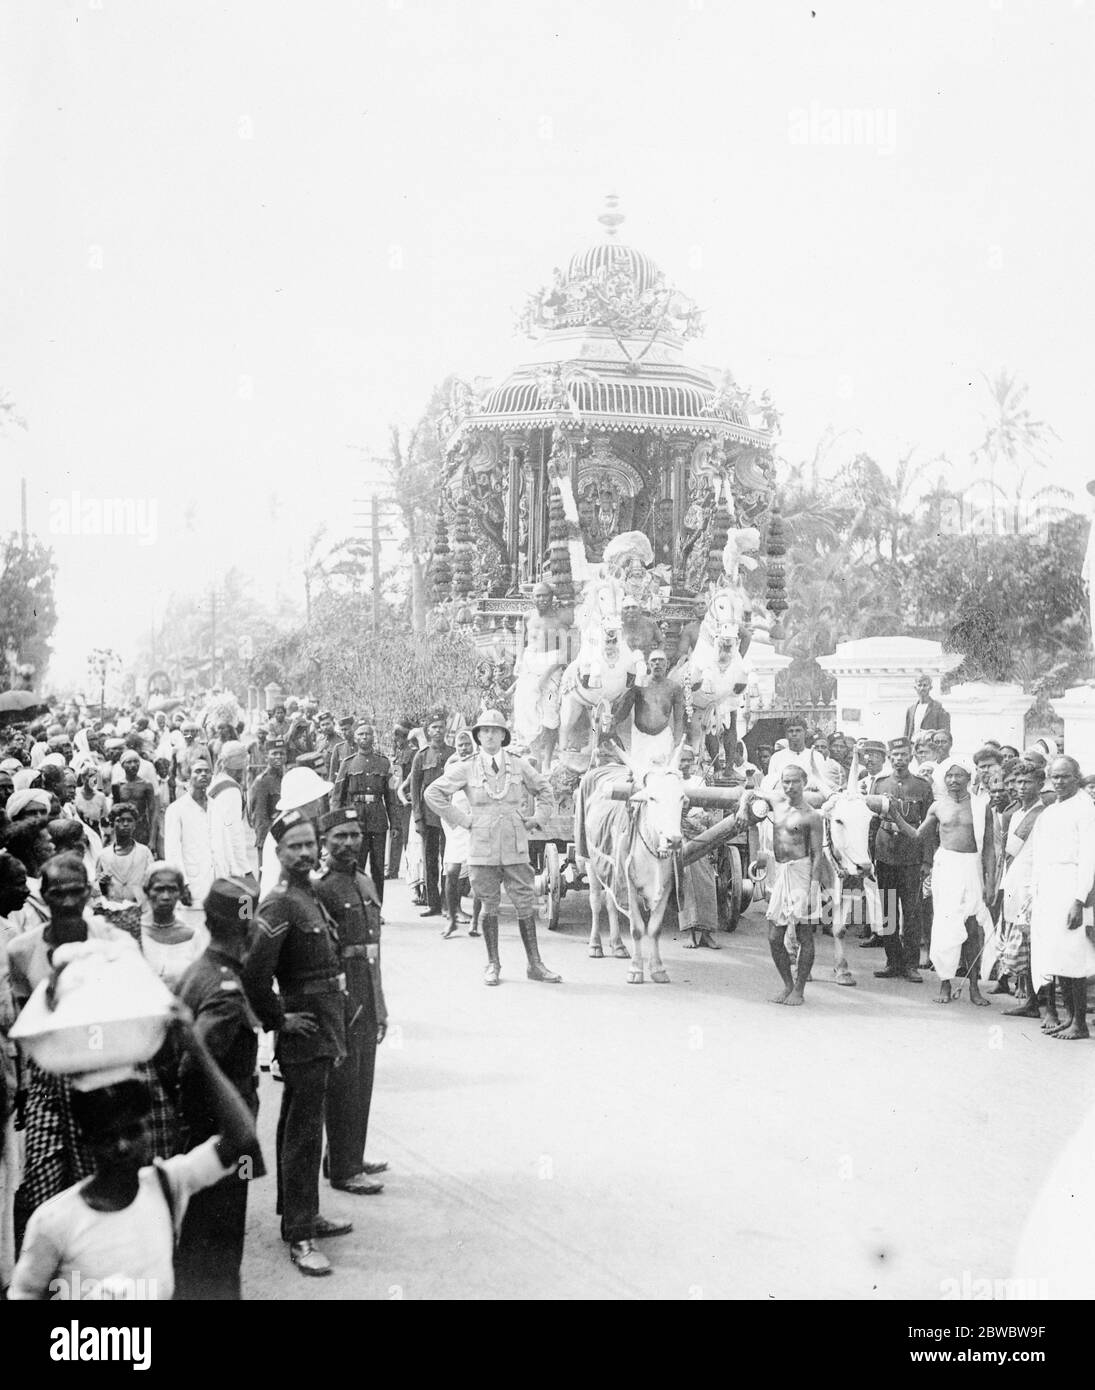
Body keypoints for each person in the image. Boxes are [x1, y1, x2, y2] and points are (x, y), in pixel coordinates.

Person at [9, 1001, 260, 1302]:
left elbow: (241, 1139)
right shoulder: (54, 1222)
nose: (122, 1147)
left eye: (132, 1131)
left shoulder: (167, 1184)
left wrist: (196, 1048)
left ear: (150, 1130)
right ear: (87, 1140)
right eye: (107, 1137)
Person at [242, 812, 351, 1276]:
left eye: (309, 844)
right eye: (294, 847)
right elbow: (252, 974)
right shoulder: (278, 904)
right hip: (304, 1028)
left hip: (326, 1023)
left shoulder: (309, 892)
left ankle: (300, 1212)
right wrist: (279, 1020)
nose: (305, 853)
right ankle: (301, 1235)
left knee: (302, 1121)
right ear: (279, 852)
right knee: (304, 1132)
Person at [174, 877, 265, 1300]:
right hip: (222, 1132)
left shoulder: (200, 970)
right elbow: (196, 1065)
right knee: (219, 1240)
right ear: (246, 927)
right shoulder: (226, 990)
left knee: (201, 1235)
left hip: (206, 1128)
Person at [426, 710, 558, 986]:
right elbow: (433, 793)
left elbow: (545, 790)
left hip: (514, 844)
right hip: (482, 846)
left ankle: (535, 964)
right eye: (484, 731)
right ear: (477, 736)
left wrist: (537, 819)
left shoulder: (518, 765)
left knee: (525, 903)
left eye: (494, 730)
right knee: (489, 904)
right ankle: (493, 963)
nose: (489, 735)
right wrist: (462, 820)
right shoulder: (466, 766)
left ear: (503, 735)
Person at [314, 808, 389, 1197]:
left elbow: (374, 950)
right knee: (344, 1081)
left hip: (365, 985)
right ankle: (343, 1169)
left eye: (355, 835)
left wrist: (380, 1003)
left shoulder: (364, 880)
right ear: (324, 842)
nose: (348, 843)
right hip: (340, 989)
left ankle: (350, 1155)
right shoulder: (321, 886)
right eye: (339, 836)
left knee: (363, 1078)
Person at [891, 759, 993, 1006]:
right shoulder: (937, 807)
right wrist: (894, 813)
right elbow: (917, 835)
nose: (954, 780)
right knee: (945, 926)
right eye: (949, 776)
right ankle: (945, 983)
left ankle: (973, 987)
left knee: (972, 928)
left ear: (969, 779)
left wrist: (990, 882)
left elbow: (989, 847)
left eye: (959, 776)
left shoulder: (981, 806)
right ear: (943, 780)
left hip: (971, 867)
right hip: (946, 867)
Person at [1027, 756, 1095, 1041]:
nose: (1059, 781)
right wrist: (1034, 893)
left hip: (1072, 886)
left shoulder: (1085, 808)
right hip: (1049, 889)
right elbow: (1038, 857)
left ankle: (1080, 1022)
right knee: (1057, 955)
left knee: (1075, 954)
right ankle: (1069, 1018)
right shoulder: (1050, 811)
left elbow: (1089, 857)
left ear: (1076, 777)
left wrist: (1079, 900)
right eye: (1054, 777)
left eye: (1065, 776)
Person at [869, 737, 932, 984]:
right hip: (885, 852)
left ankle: (910, 964)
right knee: (888, 909)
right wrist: (871, 855)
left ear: (911, 757)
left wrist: (927, 860)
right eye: (895, 755)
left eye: (904, 755)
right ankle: (892, 961)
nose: (899, 759)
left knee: (912, 911)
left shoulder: (921, 786)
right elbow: (872, 823)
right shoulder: (880, 783)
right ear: (889, 758)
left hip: (911, 855)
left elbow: (928, 827)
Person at [764, 765, 822, 1005]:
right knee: (774, 937)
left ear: (804, 782)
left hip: (803, 871)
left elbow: (818, 854)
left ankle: (799, 990)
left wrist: (813, 887)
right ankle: (788, 984)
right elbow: (754, 792)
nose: (789, 786)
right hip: (781, 873)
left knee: (804, 933)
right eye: (785, 781)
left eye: (794, 782)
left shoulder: (812, 815)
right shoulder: (777, 803)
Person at [999, 760, 1048, 1023]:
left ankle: (1039, 1001)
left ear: (1041, 785)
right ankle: (1029, 999)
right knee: (1022, 950)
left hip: (1033, 888)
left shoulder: (1043, 816)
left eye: (1027, 782)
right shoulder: (1016, 814)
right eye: (1017, 782)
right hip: (1014, 885)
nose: (1020, 786)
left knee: (1035, 947)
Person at [332, 723, 395, 905]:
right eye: (361, 734)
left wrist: (396, 824)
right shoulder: (348, 763)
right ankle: (356, 907)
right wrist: (337, 825)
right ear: (355, 737)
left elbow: (390, 798)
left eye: (368, 734)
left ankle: (376, 907)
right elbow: (338, 797)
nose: (364, 737)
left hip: (377, 820)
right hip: (355, 821)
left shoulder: (383, 763)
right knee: (355, 866)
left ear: (373, 737)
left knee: (377, 868)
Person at [677, 745, 721, 950]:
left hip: (701, 834)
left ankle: (707, 933)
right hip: (678, 836)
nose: (684, 764)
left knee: (708, 881)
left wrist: (699, 821)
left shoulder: (699, 782)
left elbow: (710, 812)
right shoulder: (671, 781)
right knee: (686, 880)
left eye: (688, 760)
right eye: (681, 760)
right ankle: (690, 933)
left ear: (694, 762)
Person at [612, 649, 686, 772]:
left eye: (661, 660)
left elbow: (679, 718)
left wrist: (677, 741)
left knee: (662, 772)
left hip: (663, 736)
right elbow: (624, 710)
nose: (657, 663)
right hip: (640, 736)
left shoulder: (674, 688)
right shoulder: (639, 684)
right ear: (648, 665)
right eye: (653, 661)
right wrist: (613, 720)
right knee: (639, 773)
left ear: (667, 664)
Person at [410, 715, 454, 918]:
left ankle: (447, 903)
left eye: (441, 727)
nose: (438, 731)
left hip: (449, 813)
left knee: (449, 859)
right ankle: (433, 903)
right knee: (429, 860)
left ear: (446, 730)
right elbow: (415, 788)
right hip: (428, 815)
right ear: (428, 731)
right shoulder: (421, 756)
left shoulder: (453, 753)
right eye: (434, 727)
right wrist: (418, 818)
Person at [140, 863, 209, 988]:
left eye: (172, 890)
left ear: (181, 893)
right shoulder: (136, 932)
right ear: (147, 891)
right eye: (159, 889)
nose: (166, 897)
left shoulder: (193, 936)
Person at [163, 755, 214, 910]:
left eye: (207, 771)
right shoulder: (176, 809)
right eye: (198, 771)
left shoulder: (216, 806)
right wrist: (181, 884)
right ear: (188, 775)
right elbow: (172, 851)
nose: (203, 774)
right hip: (191, 883)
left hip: (215, 882)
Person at [440, 731, 477, 938]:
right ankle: (452, 917)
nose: (464, 748)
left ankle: (474, 921)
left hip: (477, 824)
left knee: (478, 873)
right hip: (456, 825)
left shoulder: (480, 766)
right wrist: (451, 822)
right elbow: (442, 798)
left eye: (467, 744)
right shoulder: (452, 767)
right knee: (452, 870)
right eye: (460, 745)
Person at [208, 742, 252, 881]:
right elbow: (233, 832)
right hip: (226, 858)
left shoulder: (217, 779)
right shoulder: (230, 790)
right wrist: (244, 869)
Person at [97, 803, 155, 906]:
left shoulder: (144, 852)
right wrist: (102, 883)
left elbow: (153, 882)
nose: (125, 824)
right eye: (120, 820)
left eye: (129, 820)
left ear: (135, 825)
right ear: (112, 824)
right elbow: (97, 889)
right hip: (112, 908)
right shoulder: (104, 855)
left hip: (139, 908)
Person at [248, 739, 285, 873]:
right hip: (268, 839)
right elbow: (259, 817)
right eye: (274, 754)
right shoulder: (262, 782)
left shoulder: (284, 778)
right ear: (266, 757)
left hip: (283, 837)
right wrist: (266, 842)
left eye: (281, 754)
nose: (278, 757)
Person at [386, 723, 417, 879]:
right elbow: (394, 779)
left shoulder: (413, 753)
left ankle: (413, 872)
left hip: (406, 800)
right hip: (396, 800)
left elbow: (414, 777)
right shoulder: (397, 754)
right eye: (397, 736)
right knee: (395, 835)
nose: (398, 739)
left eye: (402, 736)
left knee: (406, 837)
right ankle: (392, 870)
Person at [112, 749, 157, 848]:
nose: (133, 765)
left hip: (141, 828)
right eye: (129, 762)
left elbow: (153, 813)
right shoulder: (117, 785)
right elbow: (115, 813)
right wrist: (115, 836)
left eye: (136, 761)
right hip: (124, 828)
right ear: (123, 765)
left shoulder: (146, 785)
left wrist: (152, 840)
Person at [903, 673, 950, 741]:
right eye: (919, 685)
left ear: (930, 687)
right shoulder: (911, 710)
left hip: (929, 748)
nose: (922, 688)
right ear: (915, 688)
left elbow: (944, 734)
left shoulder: (937, 708)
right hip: (913, 748)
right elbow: (906, 733)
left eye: (925, 685)